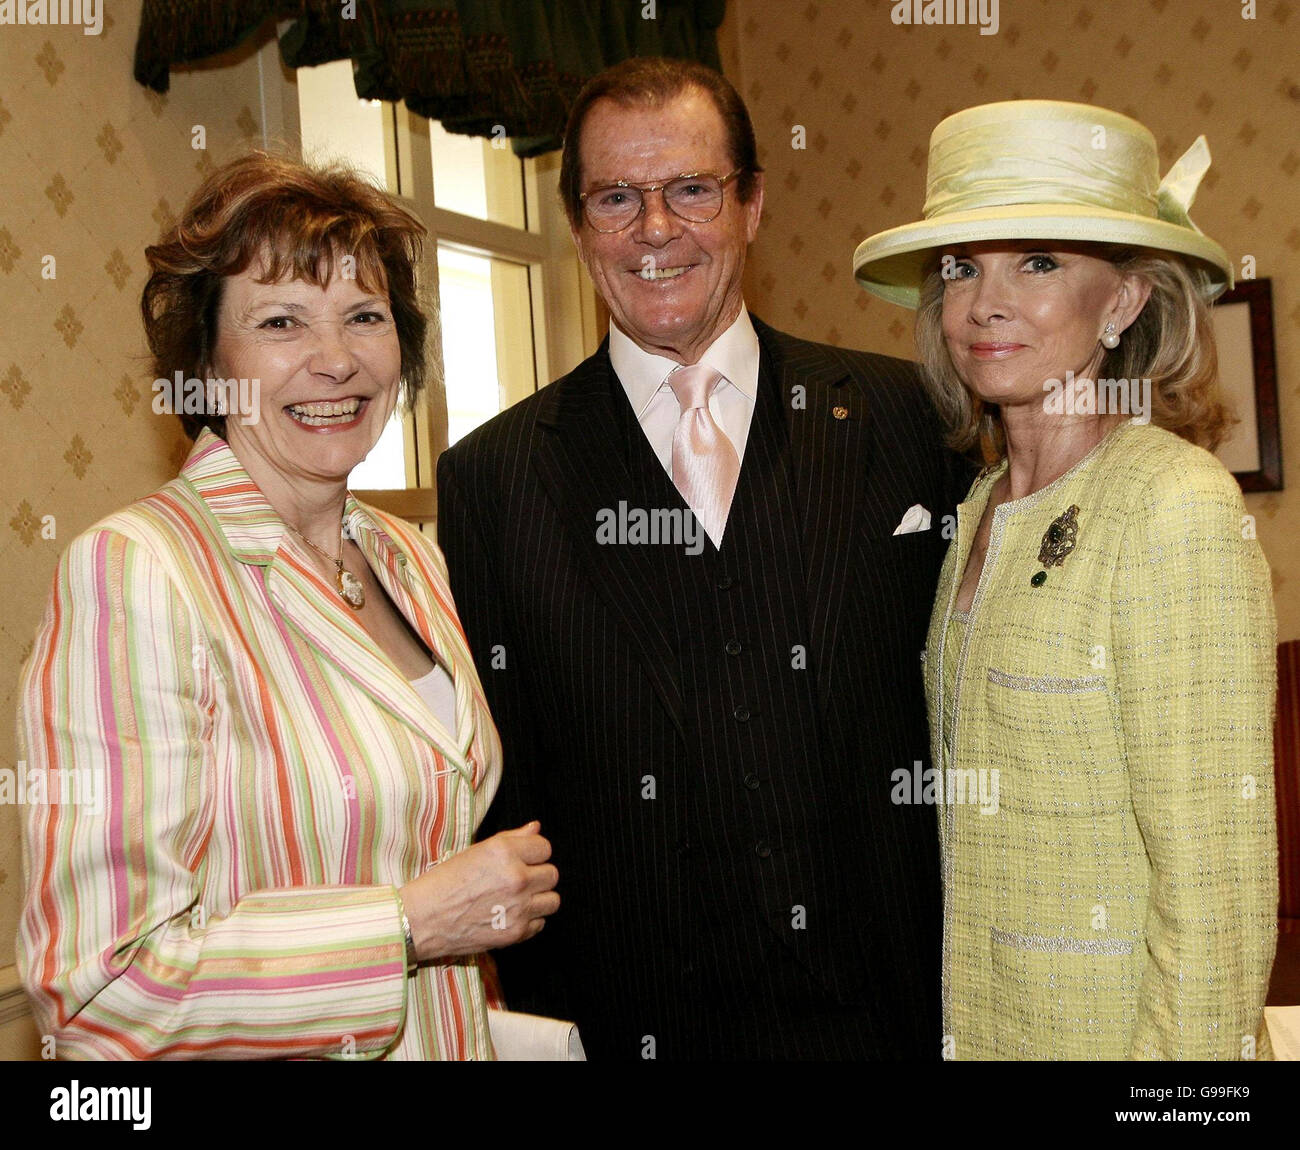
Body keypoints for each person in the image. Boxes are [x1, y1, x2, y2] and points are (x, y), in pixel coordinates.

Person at [436, 57, 972, 1060]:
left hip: (898, 1013)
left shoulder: (907, 417)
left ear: (752, 204)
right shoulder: (493, 479)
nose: (654, 230)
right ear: (577, 222)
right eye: (615, 198)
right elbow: (501, 788)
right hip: (637, 1022)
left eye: (691, 189)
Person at [16, 153, 560, 1060]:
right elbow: (97, 994)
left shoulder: (409, 558)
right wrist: (408, 925)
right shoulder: (136, 570)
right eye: (280, 322)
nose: (337, 359)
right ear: (207, 361)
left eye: (364, 316)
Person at [853, 100, 1278, 1060]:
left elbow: (1218, 897)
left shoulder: (1173, 506)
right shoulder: (974, 509)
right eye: (961, 268)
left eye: (1037, 262)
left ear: (1124, 302)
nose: (983, 303)